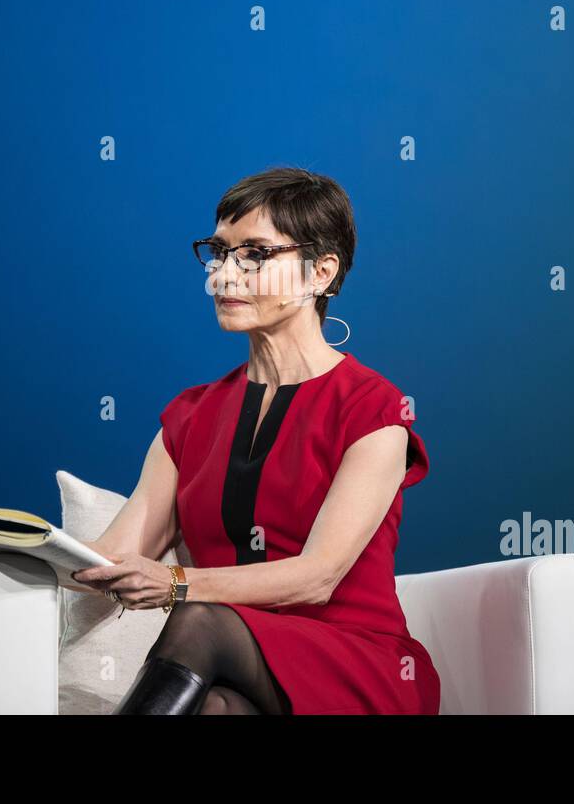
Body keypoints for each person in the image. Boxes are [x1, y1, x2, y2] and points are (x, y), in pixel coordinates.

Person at [68, 166, 439, 714]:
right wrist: (12, 550)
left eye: (256, 255)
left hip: (357, 667)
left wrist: (175, 582)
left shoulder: (373, 408)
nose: (223, 275)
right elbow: (110, 558)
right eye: (219, 253)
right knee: (214, 707)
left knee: (196, 618)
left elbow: (318, 577)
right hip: (237, 672)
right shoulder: (189, 417)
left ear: (322, 272)